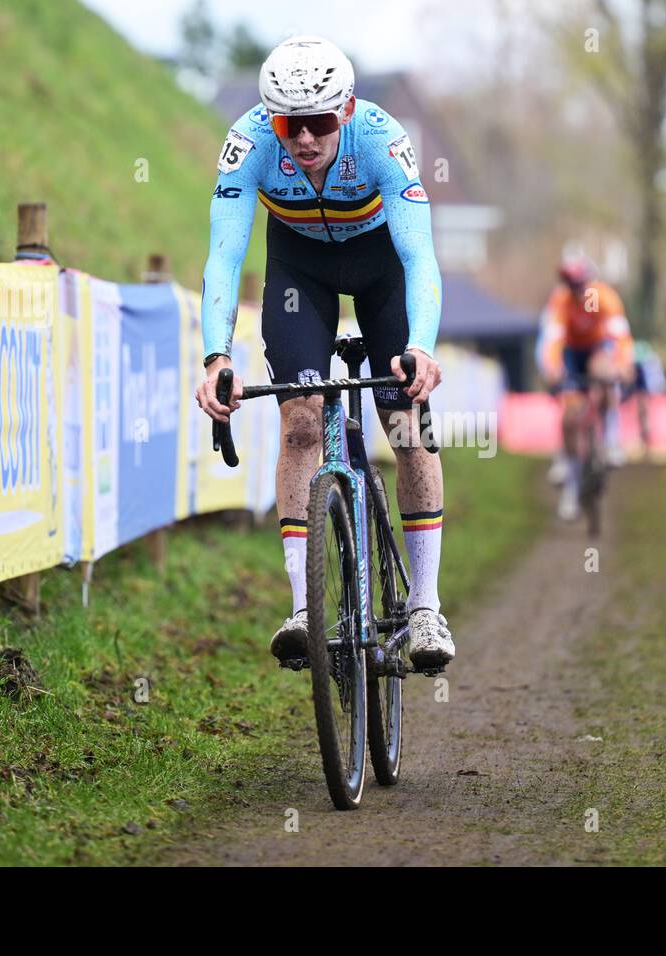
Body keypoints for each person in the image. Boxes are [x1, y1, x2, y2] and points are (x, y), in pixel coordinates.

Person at [194, 36, 453, 668]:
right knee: (302, 417)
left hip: (382, 269)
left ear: (345, 110)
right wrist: (215, 357)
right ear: (270, 118)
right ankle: (306, 607)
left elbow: (419, 254)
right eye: (289, 124)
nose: (303, 139)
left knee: (406, 425)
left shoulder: (382, 139)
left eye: (316, 123)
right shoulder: (249, 143)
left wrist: (420, 347)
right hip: (298, 273)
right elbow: (225, 257)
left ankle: (424, 607)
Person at [536, 254, 635, 520]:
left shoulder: (606, 298)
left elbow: (621, 338)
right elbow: (553, 341)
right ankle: (571, 480)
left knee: (604, 372)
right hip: (571, 352)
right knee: (570, 416)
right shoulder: (560, 301)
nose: (578, 291)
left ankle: (611, 438)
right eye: (572, 285)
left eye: (581, 284)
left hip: (597, 349)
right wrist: (553, 368)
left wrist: (624, 365)